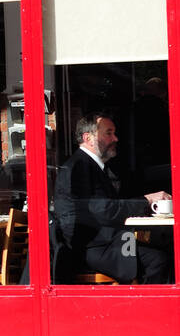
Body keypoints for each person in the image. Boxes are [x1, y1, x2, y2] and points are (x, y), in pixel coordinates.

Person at [54, 115, 171, 284]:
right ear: (88, 138)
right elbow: (103, 210)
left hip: (108, 240)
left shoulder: (92, 166)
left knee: (162, 244)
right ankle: (148, 309)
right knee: (158, 259)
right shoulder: (79, 167)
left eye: (114, 133)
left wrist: (147, 202)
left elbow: (111, 206)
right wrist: (146, 200)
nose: (115, 138)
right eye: (109, 133)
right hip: (95, 247)